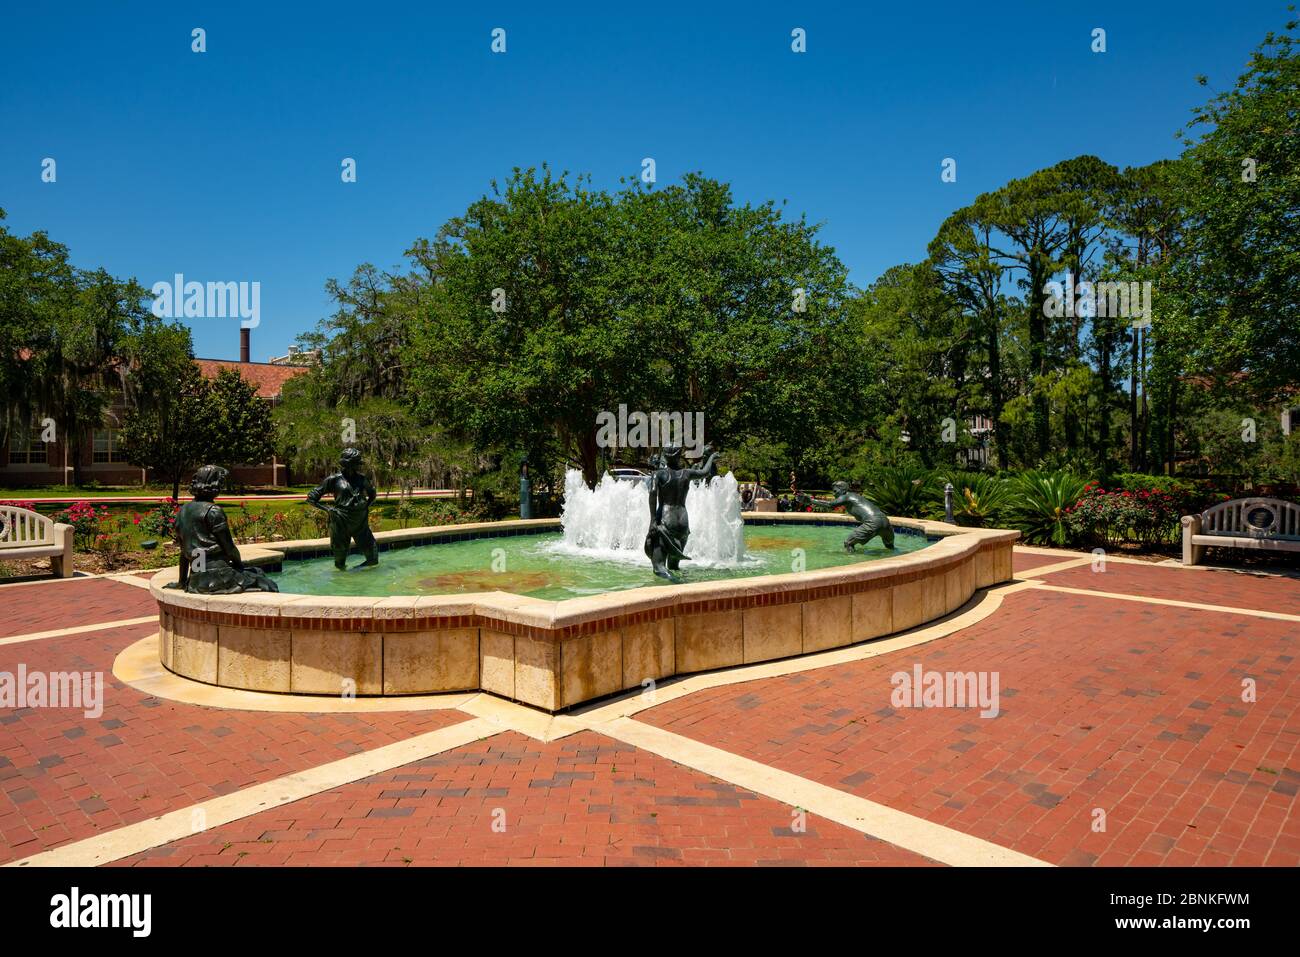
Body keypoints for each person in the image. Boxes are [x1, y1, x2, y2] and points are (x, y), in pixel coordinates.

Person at [167, 465, 279, 594]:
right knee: (265, 581)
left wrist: (182, 582)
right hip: (218, 576)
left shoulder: (182, 511)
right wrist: (239, 566)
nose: (221, 487)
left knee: (255, 573)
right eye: (220, 483)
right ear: (213, 485)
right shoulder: (213, 511)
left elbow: (184, 551)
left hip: (197, 577)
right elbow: (230, 548)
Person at [644, 444, 721, 581]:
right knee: (674, 566)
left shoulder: (659, 474)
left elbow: (652, 494)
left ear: (665, 455)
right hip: (683, 524)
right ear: (680, 455)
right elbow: (705, 472)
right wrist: (711, 458)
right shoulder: (687, 473)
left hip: (666, 521)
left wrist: (653, 520)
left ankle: (677, 583)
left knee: (659, 567)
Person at [307, 448, 379, 570]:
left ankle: (354, 572)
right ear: (349, 464)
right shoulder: (334, 479)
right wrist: (328, 509)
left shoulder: (362, 479)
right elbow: (311, 498)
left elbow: (372, 495)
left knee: (373, 559)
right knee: (340, 562)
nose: (359, 465)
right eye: (356, 462)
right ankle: (343, 580)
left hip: (360, 522)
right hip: (340, 521)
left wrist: (364, 507)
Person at [799, 481, 895, 552]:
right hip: (886, 521)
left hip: (873, 522)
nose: (834, 493)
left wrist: (810, 500)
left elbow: (830, 505)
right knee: (890, 547)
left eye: (835, 491)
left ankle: (852, 565)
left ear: (843, 490)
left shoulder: (846, 496)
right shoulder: (856, 496)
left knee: (848, 543)